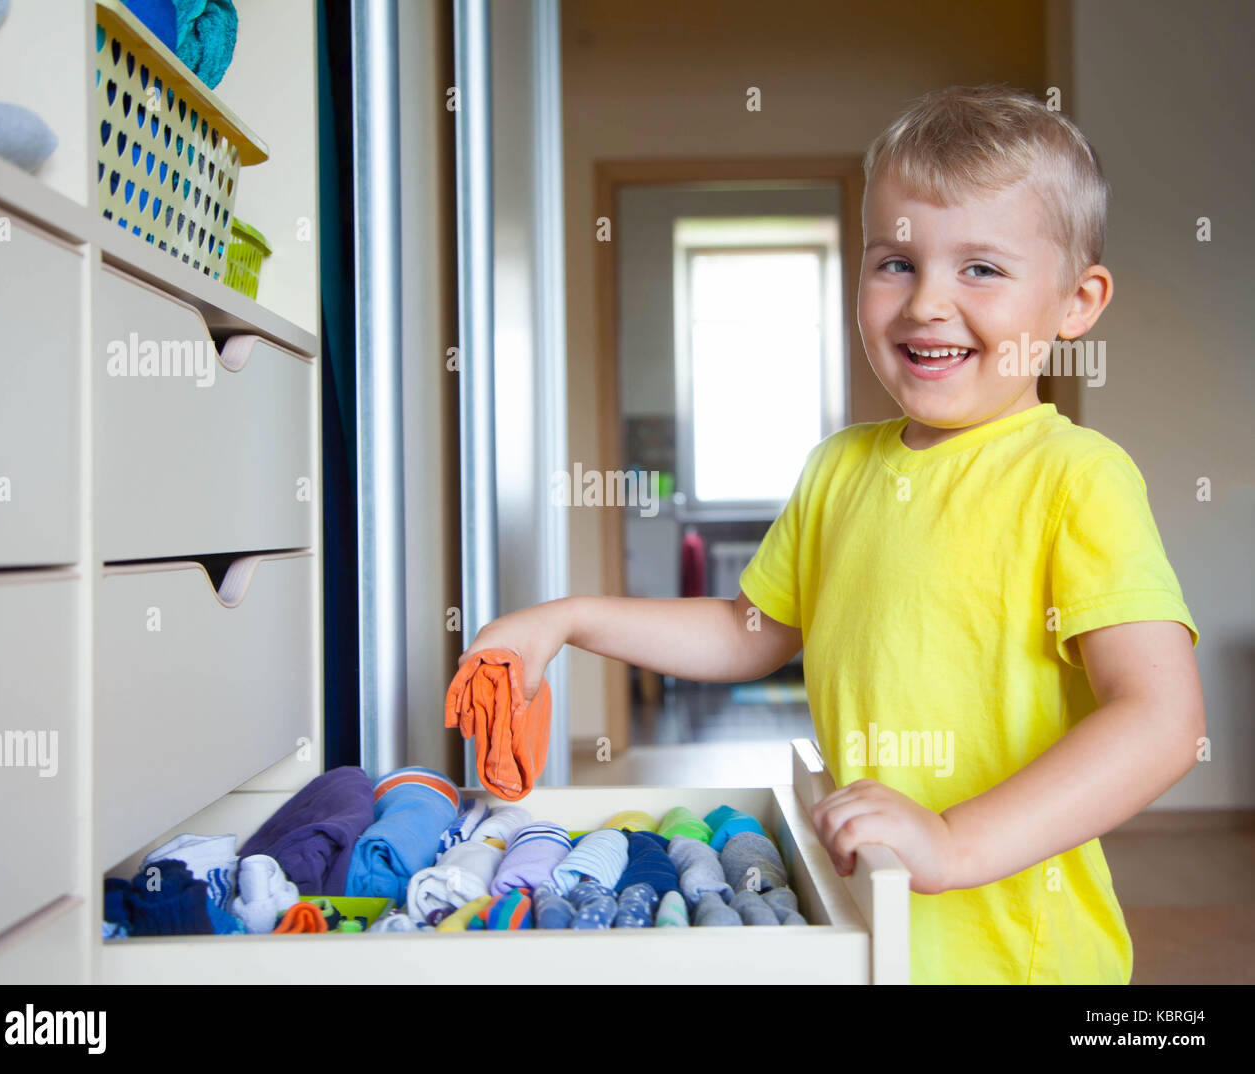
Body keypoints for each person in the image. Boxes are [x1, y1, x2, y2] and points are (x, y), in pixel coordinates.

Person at [459, 85, 1203, 984]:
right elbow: (748, 632)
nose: (927, 302)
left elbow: (1160, 723)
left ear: (1077, 302)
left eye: (981, 269)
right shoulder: (838, 468)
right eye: (894, 261)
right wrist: (570, 619)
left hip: (1012, 957)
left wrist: (953, 844)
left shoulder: (1076, 478)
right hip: (869, 924)